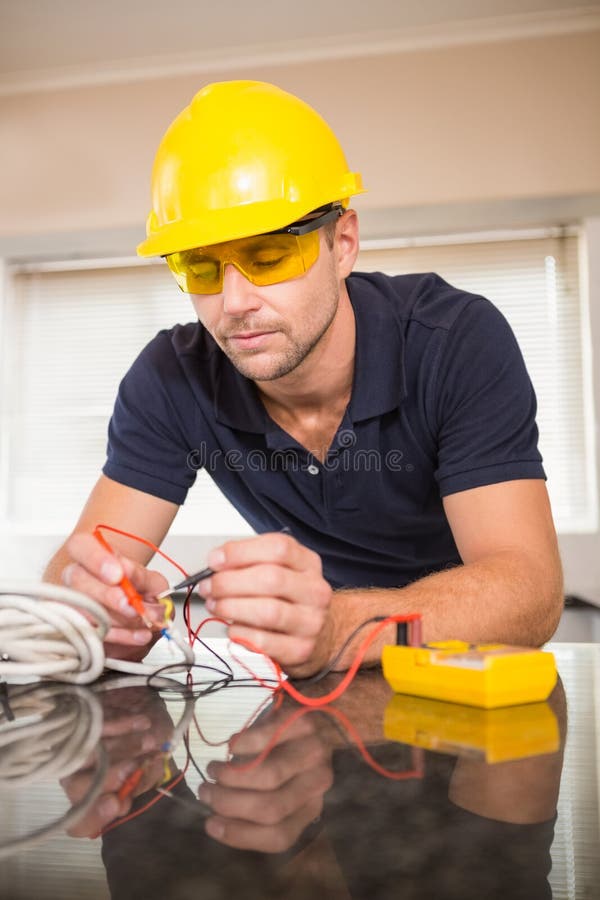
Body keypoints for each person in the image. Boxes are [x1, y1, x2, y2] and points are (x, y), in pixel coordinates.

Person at [44, 80, 563, 677]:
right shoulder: (169, 377)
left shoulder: (455, 340)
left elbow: (529, 592)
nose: (234, 302)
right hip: (307, 696)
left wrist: (340, 626)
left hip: (456, 678)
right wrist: (91, 614)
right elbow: (78, 575)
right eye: (202, 268)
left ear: (343, 244)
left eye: (268, 258)